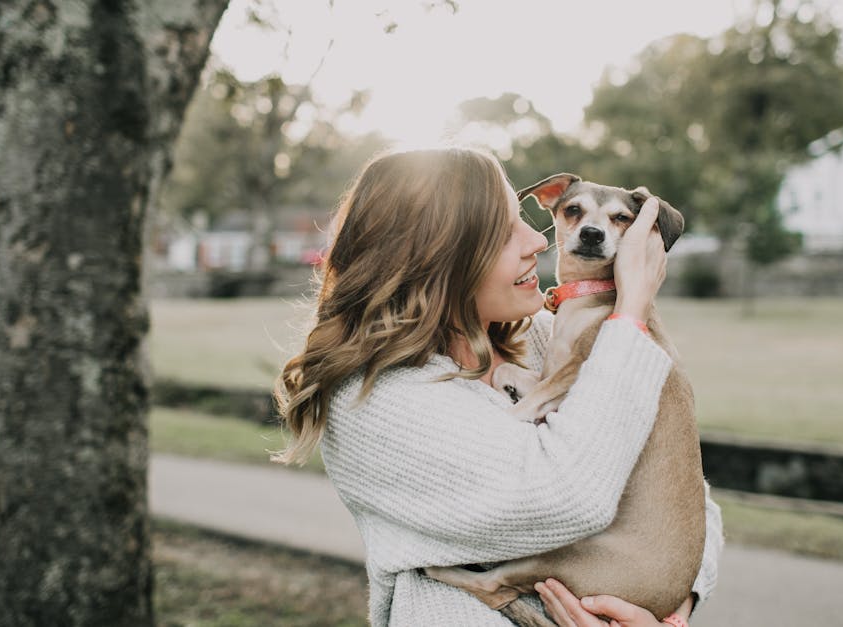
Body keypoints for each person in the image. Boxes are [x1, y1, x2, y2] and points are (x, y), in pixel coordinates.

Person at [273, 147, 724, 626]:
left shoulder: (540, 341)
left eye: (527, 219)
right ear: (439, 257)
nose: (537, 239)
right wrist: (631, 310)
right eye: (507, 231)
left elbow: (684, 494)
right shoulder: (377, 403)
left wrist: (671, 610)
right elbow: (566, 497)